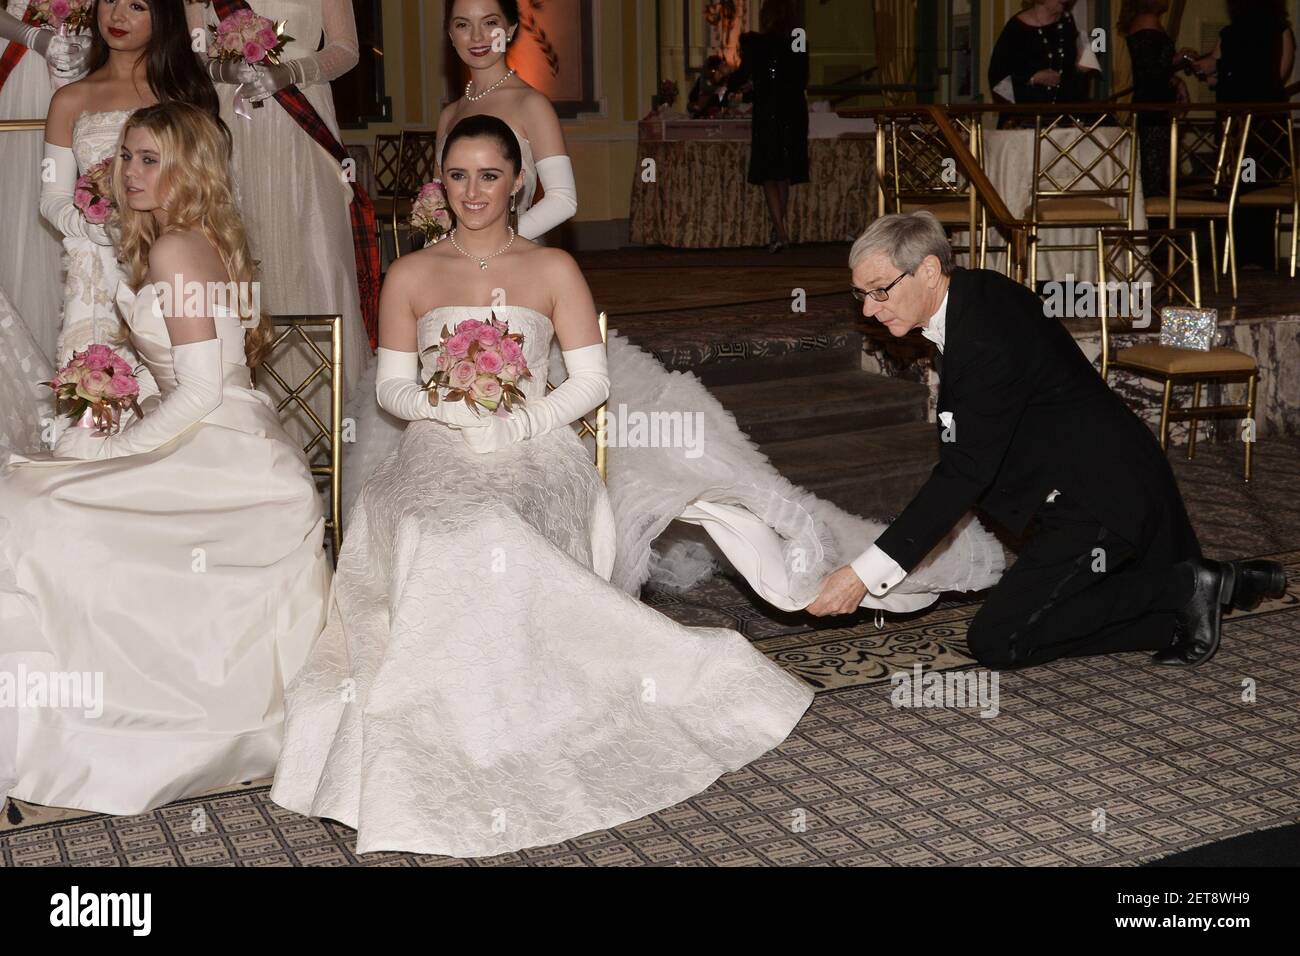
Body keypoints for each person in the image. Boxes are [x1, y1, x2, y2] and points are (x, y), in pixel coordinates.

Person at [268, 114, 818, 856]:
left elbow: (589, 382)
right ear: (441, 181)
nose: (472, 192)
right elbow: (395, 388)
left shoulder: (553, 269)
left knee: (494, 527)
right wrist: (446, 407)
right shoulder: (413, 271)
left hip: (535, 446)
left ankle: (519, 705)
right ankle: (442, 713)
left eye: (489, 175)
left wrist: (520, 423)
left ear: (518, 180)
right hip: (435, 443)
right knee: (438, 528)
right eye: (457, 176)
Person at [0, 101, 330, 815]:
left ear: (190, 170)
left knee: (37, 509)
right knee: (36, 500)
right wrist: (127, 401)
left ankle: (94, 719)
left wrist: (116, 447)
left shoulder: (177, 248)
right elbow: (181, 373)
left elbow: (204, 387)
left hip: (224, 450)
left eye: (151, 159)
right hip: (213, 434)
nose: (130, 172)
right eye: (126, 156)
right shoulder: (184, 239)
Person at [808, 212, 1287, 671]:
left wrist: (862, 574)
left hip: (1100, 497)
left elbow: (964, 471)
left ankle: (1183, 587)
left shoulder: (984, 335)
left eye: (879, 291)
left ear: (929, 270)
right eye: (860, 294)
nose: (868, 308)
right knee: (1078, 611)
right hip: (1091, 480)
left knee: (999, 640)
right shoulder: (977, 292)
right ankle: (1194, 597)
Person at [186, 0, 371, 446]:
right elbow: (197, 50)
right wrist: (227, 71)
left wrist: (292, 73)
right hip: (234, 127)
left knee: (317, 258)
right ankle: (253, 434)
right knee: (241, 265)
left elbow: (347, 49)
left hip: (304, 125)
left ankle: (333, 434)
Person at [41, 0, 218, 367]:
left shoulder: (186, 95)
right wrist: (93, 225)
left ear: (163, 16)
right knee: (97, 394)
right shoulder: (69, 98)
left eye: (136, 5)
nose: (117, 16)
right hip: (95, 272)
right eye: (109, 1)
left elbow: (210, 190)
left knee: (179, 380)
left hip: (171, 263)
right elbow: (50, 199)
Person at [436, 0, 577, 240]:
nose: (477, 36)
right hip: (456, 259)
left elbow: (563, 199)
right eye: (463, 25)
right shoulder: (449, 114)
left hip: (514, 258)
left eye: (490, 22)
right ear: (451, 35)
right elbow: (438, 200)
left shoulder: (531, 104)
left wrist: (497, 243)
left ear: (510, 30)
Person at [0, 3, 90, 363]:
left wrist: (96, 46)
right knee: (17, 205)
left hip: (89, 71)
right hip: (19, 68)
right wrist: (35, 37)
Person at [728, 0, 808, 252]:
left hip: (770, 113)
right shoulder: (798, 38)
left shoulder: (756, 43)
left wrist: (739, 84)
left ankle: (781, 233)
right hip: (793, 111)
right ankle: (779, 232)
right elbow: (801, 77)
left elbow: (742, 76)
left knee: (769, 175)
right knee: (783, 173)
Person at [988, 0, 1095, 129]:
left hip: (1062, 124)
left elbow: (1069, 72)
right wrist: (1033, 78)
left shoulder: (1066, 23)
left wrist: (1080, 67)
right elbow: (997, 79)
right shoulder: (1016, 28)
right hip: (1024, 124)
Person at [1120, 0, 1186, 198]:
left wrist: (1175, 75)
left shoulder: (1142, 20)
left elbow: (1151, 68)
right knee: (1152, 177)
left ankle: (1151, 221)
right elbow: (1152, 72)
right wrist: (1177, 62)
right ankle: (1154, 223)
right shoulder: (1148, 21)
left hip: (1151, 105)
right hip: (1154, 108)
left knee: (1151, 172)